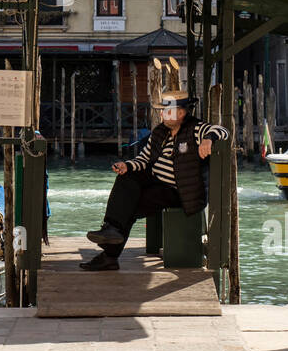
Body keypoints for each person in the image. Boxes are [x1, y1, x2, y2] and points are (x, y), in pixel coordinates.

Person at [81, 89, 229, 271]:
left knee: (130, 206)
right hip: (156, 181)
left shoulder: (195, 129)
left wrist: (208, 140)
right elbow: (143, 160)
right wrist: (127, 165)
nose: (161, 113)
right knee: (126, 178)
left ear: (181, 113)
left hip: (180, 191)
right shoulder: (160, 132)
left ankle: (110, 255)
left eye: (167, 110)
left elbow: (222, 130)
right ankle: (110, 229)